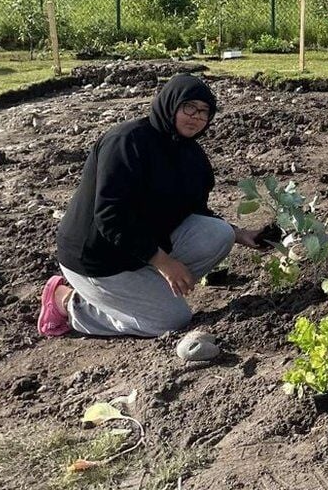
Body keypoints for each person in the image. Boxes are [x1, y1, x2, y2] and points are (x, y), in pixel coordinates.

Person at [37, 73, 265, 339]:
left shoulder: (191, 155)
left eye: (204, 112)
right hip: (96, 259)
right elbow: (110, 216)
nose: (196, 116)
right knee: (171, 320)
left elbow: (195, 210)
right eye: (188, 107)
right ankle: (67, 303)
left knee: (220, 233)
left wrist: (240, 233)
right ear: (170, 104)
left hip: (137, 249)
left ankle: (142, 292)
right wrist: (163, 261)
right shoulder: (126, 142)